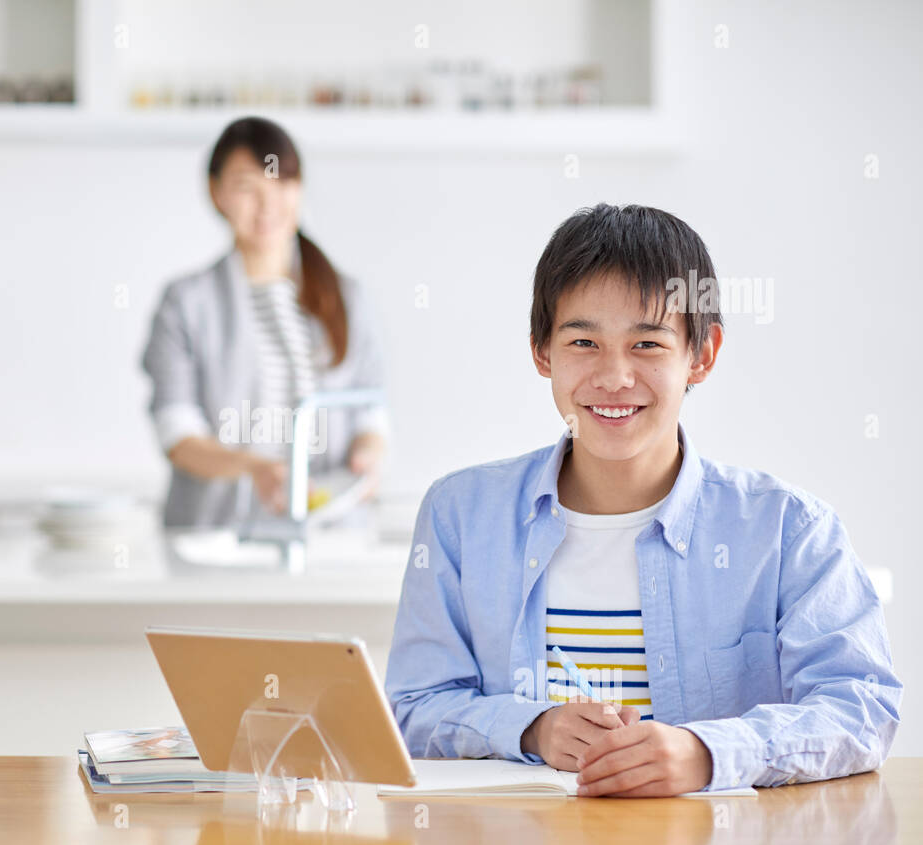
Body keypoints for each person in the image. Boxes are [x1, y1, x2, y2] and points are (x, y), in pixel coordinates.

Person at [384, 203, 901, 795]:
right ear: (542, 352)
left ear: (701, 355)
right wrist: (530, 728)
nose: (613, 377)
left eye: (648, 345)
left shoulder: (788, 529)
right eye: (583, 341)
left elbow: (862, 707)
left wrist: (708, 752)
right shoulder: (460, 514)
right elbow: (413, 707)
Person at [140, 116, 388, 529]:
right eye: (245, 187)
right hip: (214, 539)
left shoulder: (346, 295)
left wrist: (369, 455)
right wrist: (255, 468)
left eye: (280, 183)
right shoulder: (185, 302)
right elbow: (176, 432)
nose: (267, 204)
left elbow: (371, 412)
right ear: (215, 192)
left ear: (300, 187)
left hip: (332, 537)